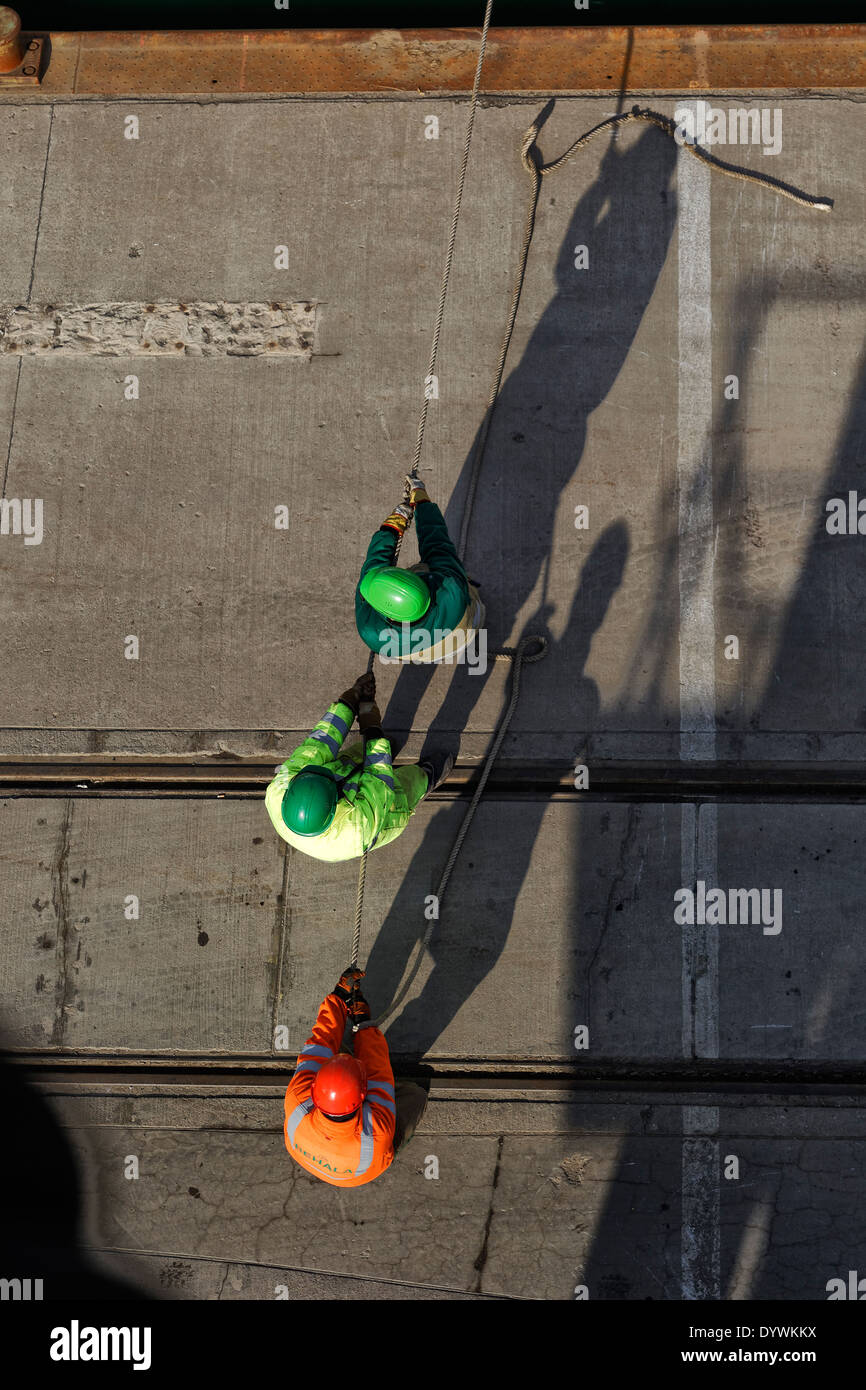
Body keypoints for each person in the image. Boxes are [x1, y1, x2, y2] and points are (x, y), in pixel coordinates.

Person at [265, 670, 453, 861]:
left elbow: (320, 742)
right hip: (378, 812)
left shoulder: (279, 789)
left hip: (341, 785)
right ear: (335, 805)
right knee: (402, 789)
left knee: (349, 761)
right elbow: (379, 778)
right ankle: (426, 776)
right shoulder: (356, 831)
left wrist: (349, 700)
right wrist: (371, 725)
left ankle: (376, 746)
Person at [283, 968, 428, 1187]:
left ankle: (346, 1058)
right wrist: (364, 1024)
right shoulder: (378, 1131)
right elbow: (379, 1073)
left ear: (314, 1088)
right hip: (362, 1171)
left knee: (334, 1052)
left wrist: (339, 997)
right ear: (363, 1094)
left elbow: (319, 1044)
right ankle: (351, 1053)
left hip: (306, 1154)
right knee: (416, 1095)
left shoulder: (298, 1098)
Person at [356, 470, 484, 664]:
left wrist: (392, 526)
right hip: (460, 636)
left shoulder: (369, 630)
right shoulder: (451, 591)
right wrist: (422, 502)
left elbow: (373, 565)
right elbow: (437, 544)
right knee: (469, 598)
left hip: (408, 654)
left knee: (417, 572)